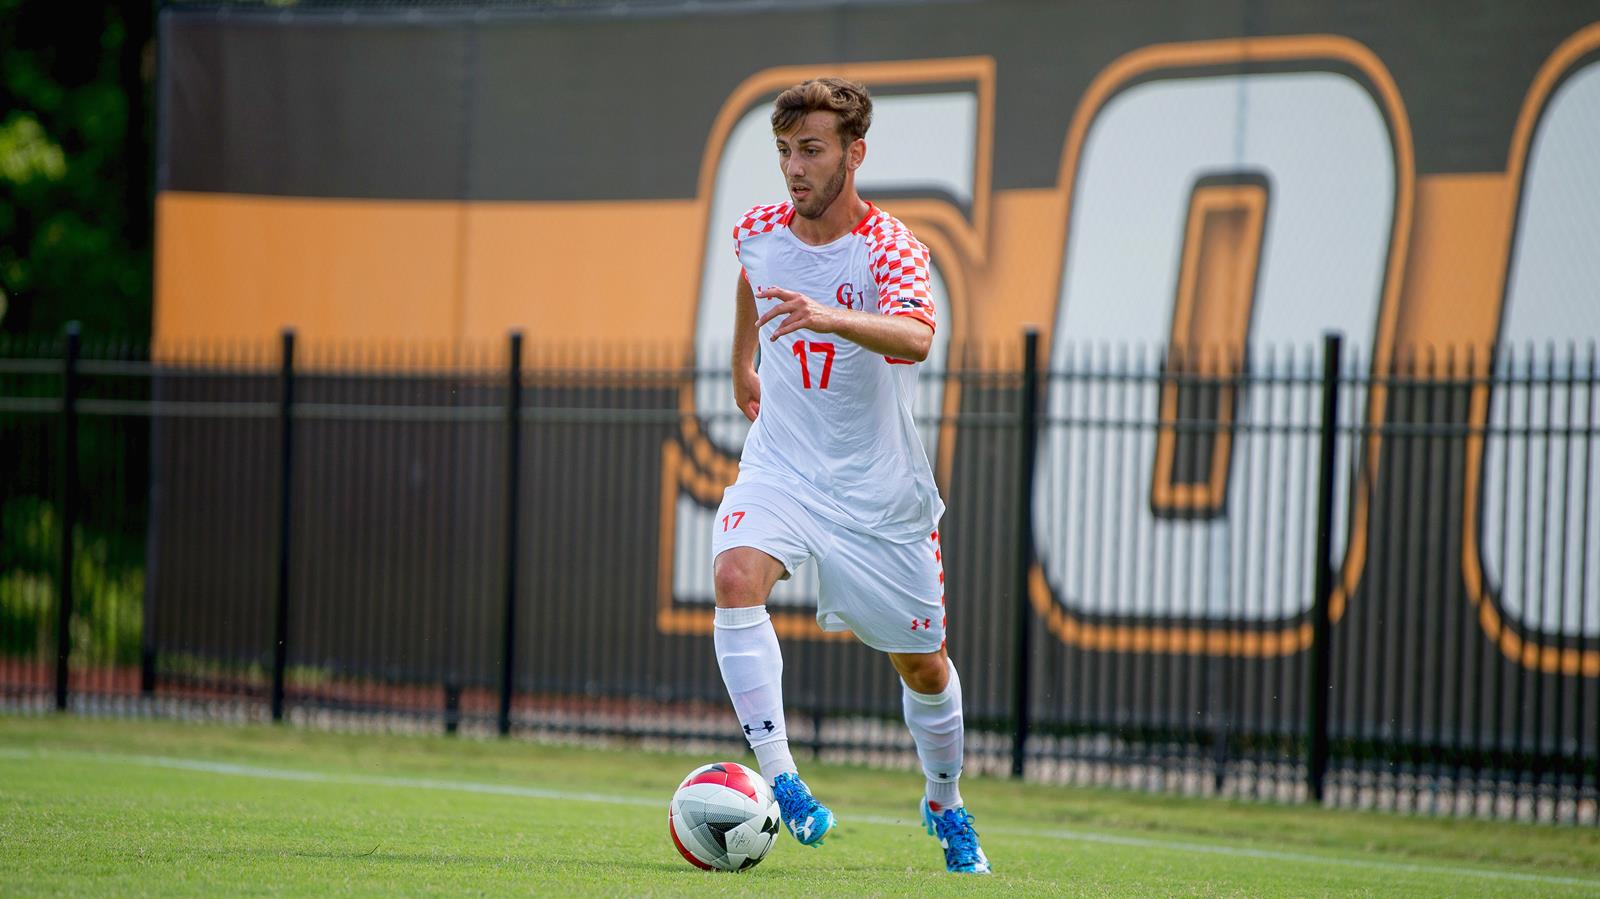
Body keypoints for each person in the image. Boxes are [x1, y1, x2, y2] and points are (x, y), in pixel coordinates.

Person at [709, 76, 990, 876]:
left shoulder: (890, 246)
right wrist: (741, 361)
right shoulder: (759, 230)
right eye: (785, 151)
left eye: (811, 150)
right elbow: (752, 275)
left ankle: (945, 801)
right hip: (784, 465)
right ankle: (783, 780)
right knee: (734, 575)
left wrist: (830, 315)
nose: (794, 168)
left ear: (853, 153)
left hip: (878, 496)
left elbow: (916, 336)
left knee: (924, 665)